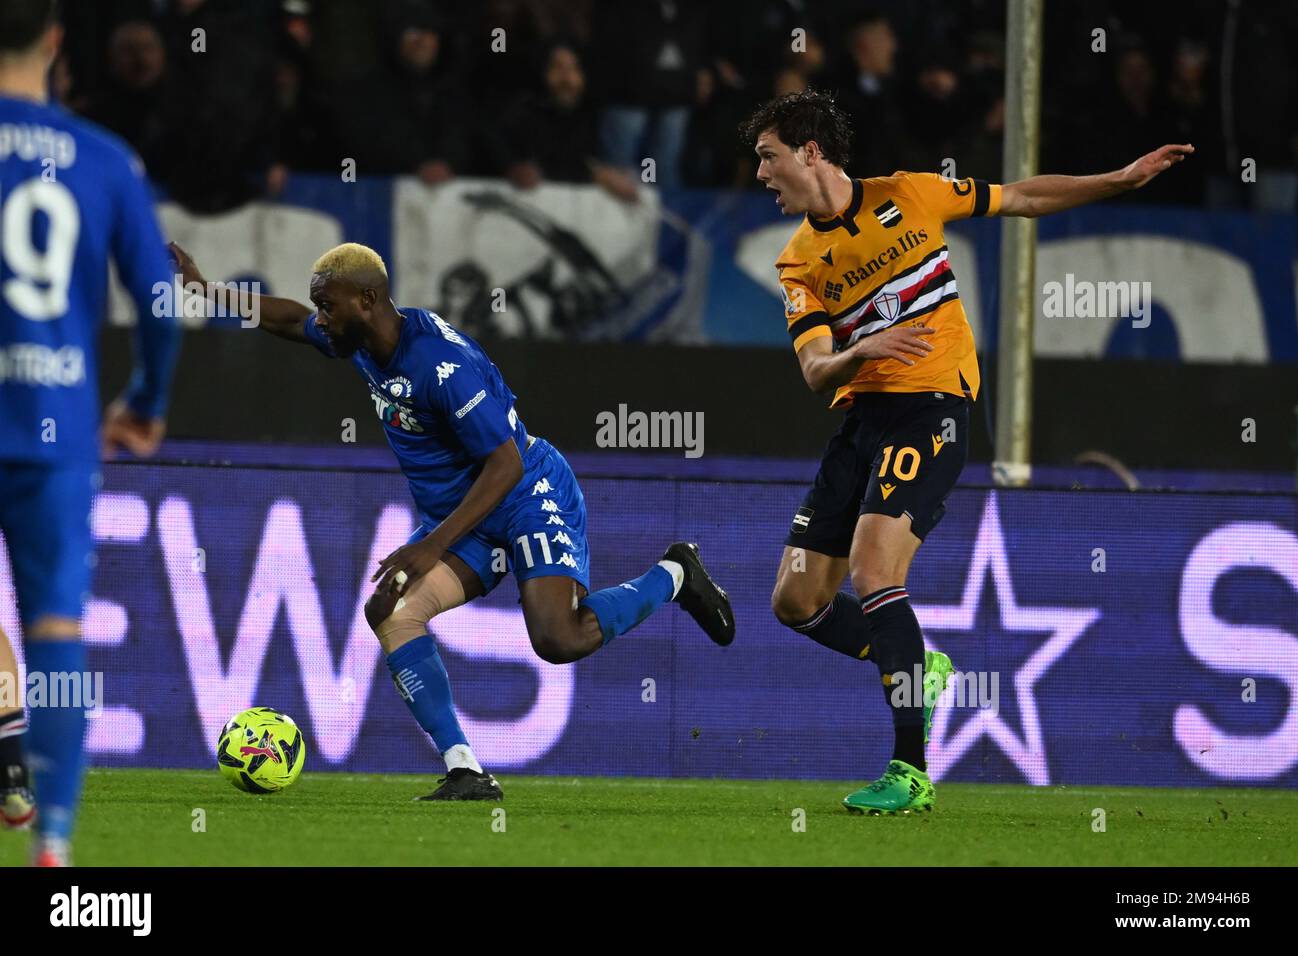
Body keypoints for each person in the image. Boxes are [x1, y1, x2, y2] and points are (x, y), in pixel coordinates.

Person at [743, 88, 1190, 814]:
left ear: (810, 151)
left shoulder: (913, 195)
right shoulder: (799, 262)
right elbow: (816, 370)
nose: (761, 174)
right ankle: (918, 662)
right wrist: (865, 349)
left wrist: (1119, 179)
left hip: (933, 409)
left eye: (768, 157)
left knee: (873, 570)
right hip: (862, 421)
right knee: (796, 602)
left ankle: (911, 771)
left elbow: (1020, 198)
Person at [168, 240, 734, 801]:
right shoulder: (361, 340)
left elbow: (505, 462)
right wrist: (207, 290)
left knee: (558, 639)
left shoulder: (441, 367)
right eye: (320, 306)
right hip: (464, 513)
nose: (320, 317)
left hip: (525, 494)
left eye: (328, 305)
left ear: (366, 299)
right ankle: (465, 769)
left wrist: (430, 546)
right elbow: (292, 321)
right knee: (389, 613)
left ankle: (674, 574)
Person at [0, 0, 180, 864]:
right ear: (57, 41)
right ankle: (56, 847)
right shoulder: (106, 159)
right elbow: (160, 305)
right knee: (57, 631)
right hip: (59, 427)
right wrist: (147, 396)